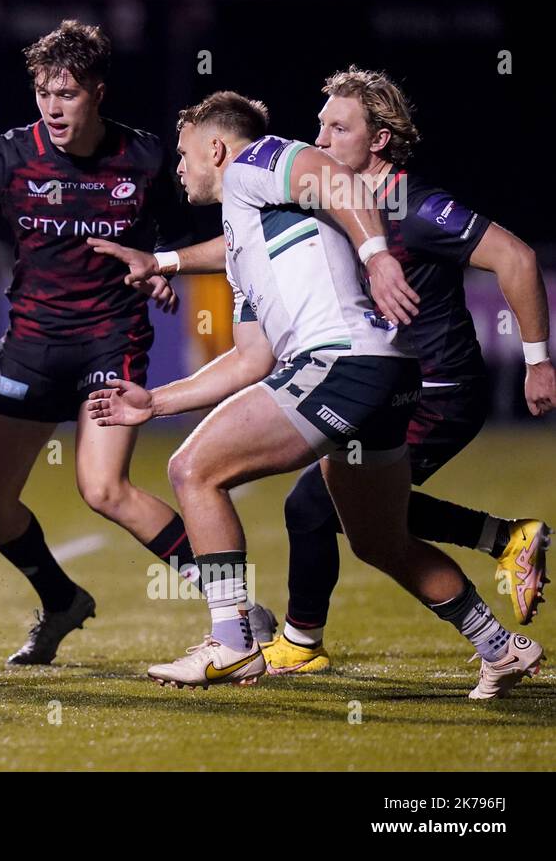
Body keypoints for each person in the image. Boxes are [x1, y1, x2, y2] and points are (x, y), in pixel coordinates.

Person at [87, 90, 541, 699]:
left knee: (193, 469)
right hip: (389, 374)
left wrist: (379, 258)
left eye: (184, 153)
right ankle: (499, 644)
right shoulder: (252, 240)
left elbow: (329, 176)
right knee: (378, 539)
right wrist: (156, 402)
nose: (178, 167)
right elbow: (252, 358)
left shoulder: (253, 163)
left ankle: (233, 639)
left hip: (344, 365)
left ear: (215, 148)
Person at [0, 20, 274, 665]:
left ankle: (234, 608)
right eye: (43, 92)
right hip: (30, 348)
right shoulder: (4, 158)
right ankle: (60, 600)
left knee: (103, 488)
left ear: (98, 93)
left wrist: (159, 265)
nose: (52, 106)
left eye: (67, 93)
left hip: (111, 342)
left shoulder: (148, 157)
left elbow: (199, 233)